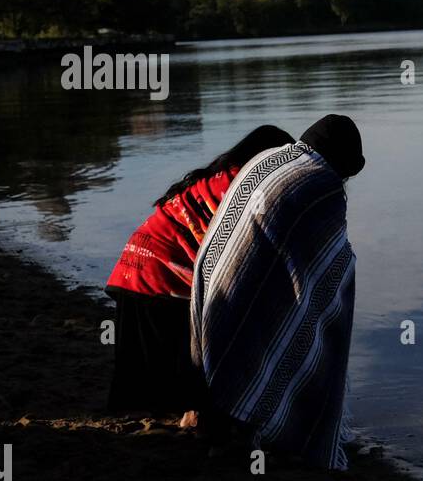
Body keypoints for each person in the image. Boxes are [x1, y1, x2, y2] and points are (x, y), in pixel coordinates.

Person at [189, 114, 365, 470]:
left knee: (265, 314)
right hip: (235, 291)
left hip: (212, 288)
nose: (345, 181)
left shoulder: (270, 158)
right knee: (322, 309)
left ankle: (217, 421)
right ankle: (289, 425)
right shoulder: (322, 182)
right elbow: (332, 264)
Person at [105, 125, 294, 422]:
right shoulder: (246, 185)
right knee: (198, 349)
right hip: (159, 274)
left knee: (164, 361)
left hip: (133, 266)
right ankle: (196, 415)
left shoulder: (219, 176)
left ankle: (183, 413)